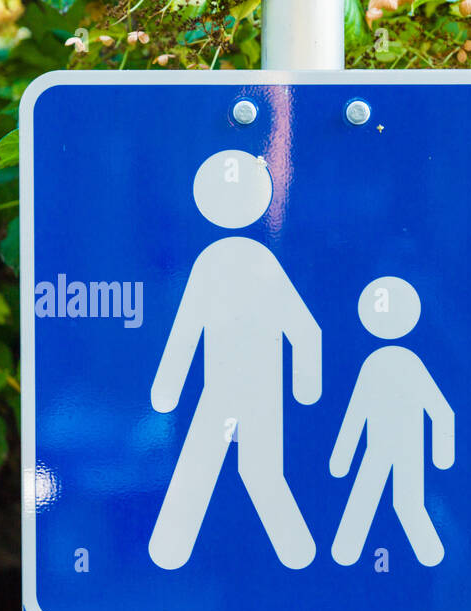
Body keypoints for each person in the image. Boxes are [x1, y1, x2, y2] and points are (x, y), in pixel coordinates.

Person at [148, 149, 322, 571]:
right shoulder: (226, 262)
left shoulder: (255, 264)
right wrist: (167, 388)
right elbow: (189, 327)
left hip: (252, 388)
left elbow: (304, 329)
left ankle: (295, 553)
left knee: (249, 470)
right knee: (207, 464)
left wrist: (306, 386)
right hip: (224, 387)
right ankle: (171, 551)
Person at [330, 277, 454, 567]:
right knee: (378, 496)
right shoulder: (380, 363)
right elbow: (357, 411)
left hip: (404, 448)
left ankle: (428, 554)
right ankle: (347, 552)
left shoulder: (399, 363)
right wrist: (342, 457)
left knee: (397, 500)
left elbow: (441, 410)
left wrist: (342, 459)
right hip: (382, 446)